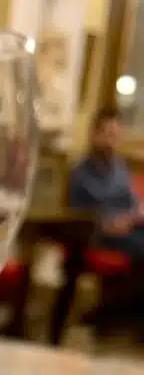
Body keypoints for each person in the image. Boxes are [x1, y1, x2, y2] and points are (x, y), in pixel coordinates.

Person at [68, 107, 144, 262]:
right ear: (95, 135)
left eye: (115, 136)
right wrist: (109, 223)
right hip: (100, 235)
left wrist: (138, 210)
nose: (112, 142)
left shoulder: (120, 167)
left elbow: (131, 199)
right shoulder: (81, 171)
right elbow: (81, 213)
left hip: (131, 226)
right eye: (108, 135)